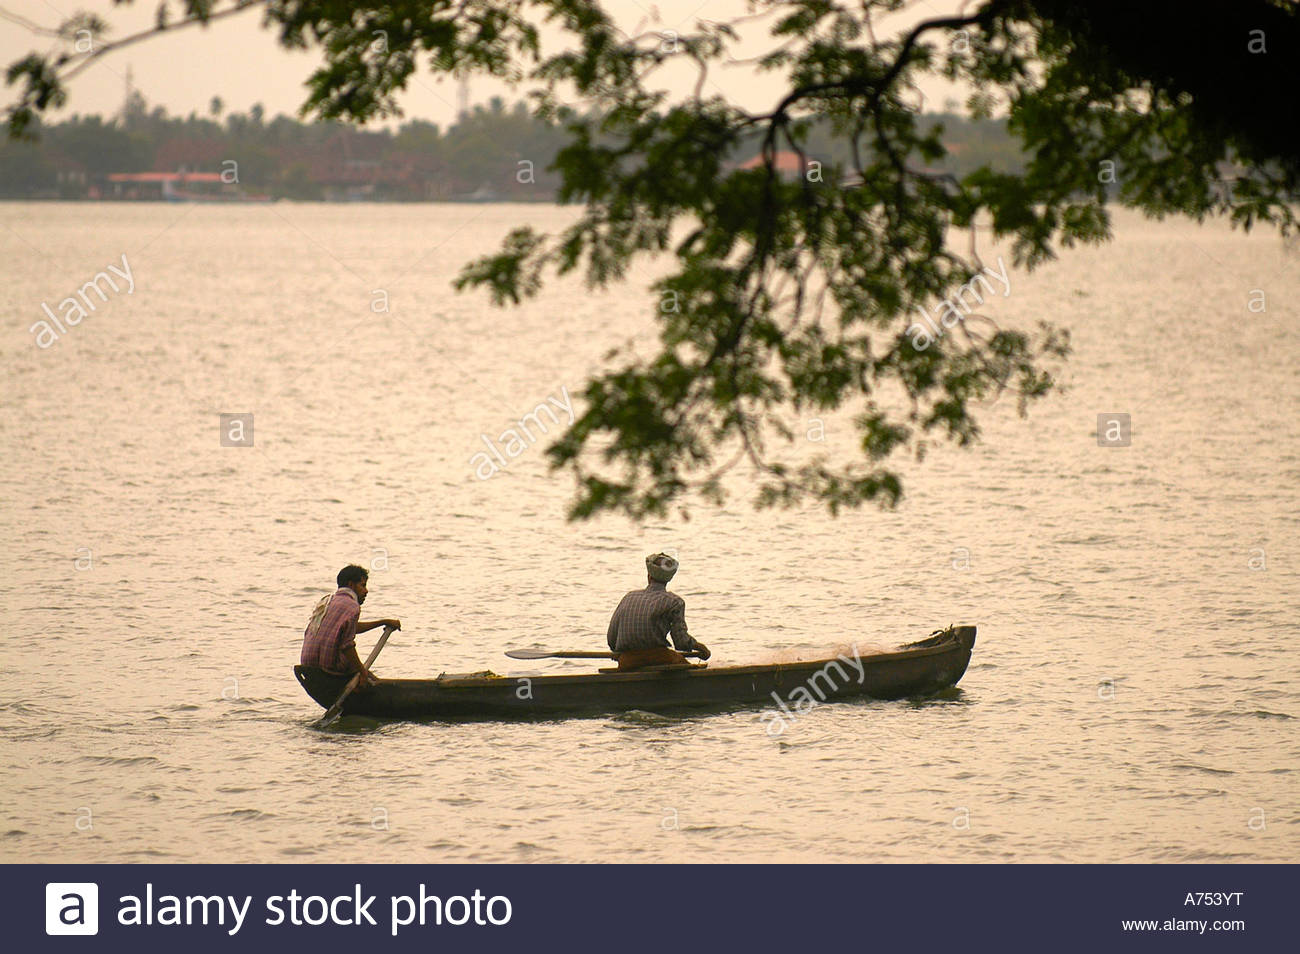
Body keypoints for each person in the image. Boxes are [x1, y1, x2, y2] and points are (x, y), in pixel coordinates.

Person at [300, 565, 401, 686]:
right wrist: (362, 672)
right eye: (363, 585)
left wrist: (383, 622)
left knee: (365, 674)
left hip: (307, 664)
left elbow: (347, 628)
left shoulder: (328, 601)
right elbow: (347, 646)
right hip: (329, 667)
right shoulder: (352, 606)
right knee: (368, 678)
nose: (366, 591)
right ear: (351, 585)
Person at [606, 553, 710, 670]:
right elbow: (680, 642)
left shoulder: (629, 597)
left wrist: (618, 653)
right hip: (659, 658)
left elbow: (611, 638)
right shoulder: (674, 602)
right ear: (668, 579)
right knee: (686, 667)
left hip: (627, 661)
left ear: (649, 576)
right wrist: (699, 647)